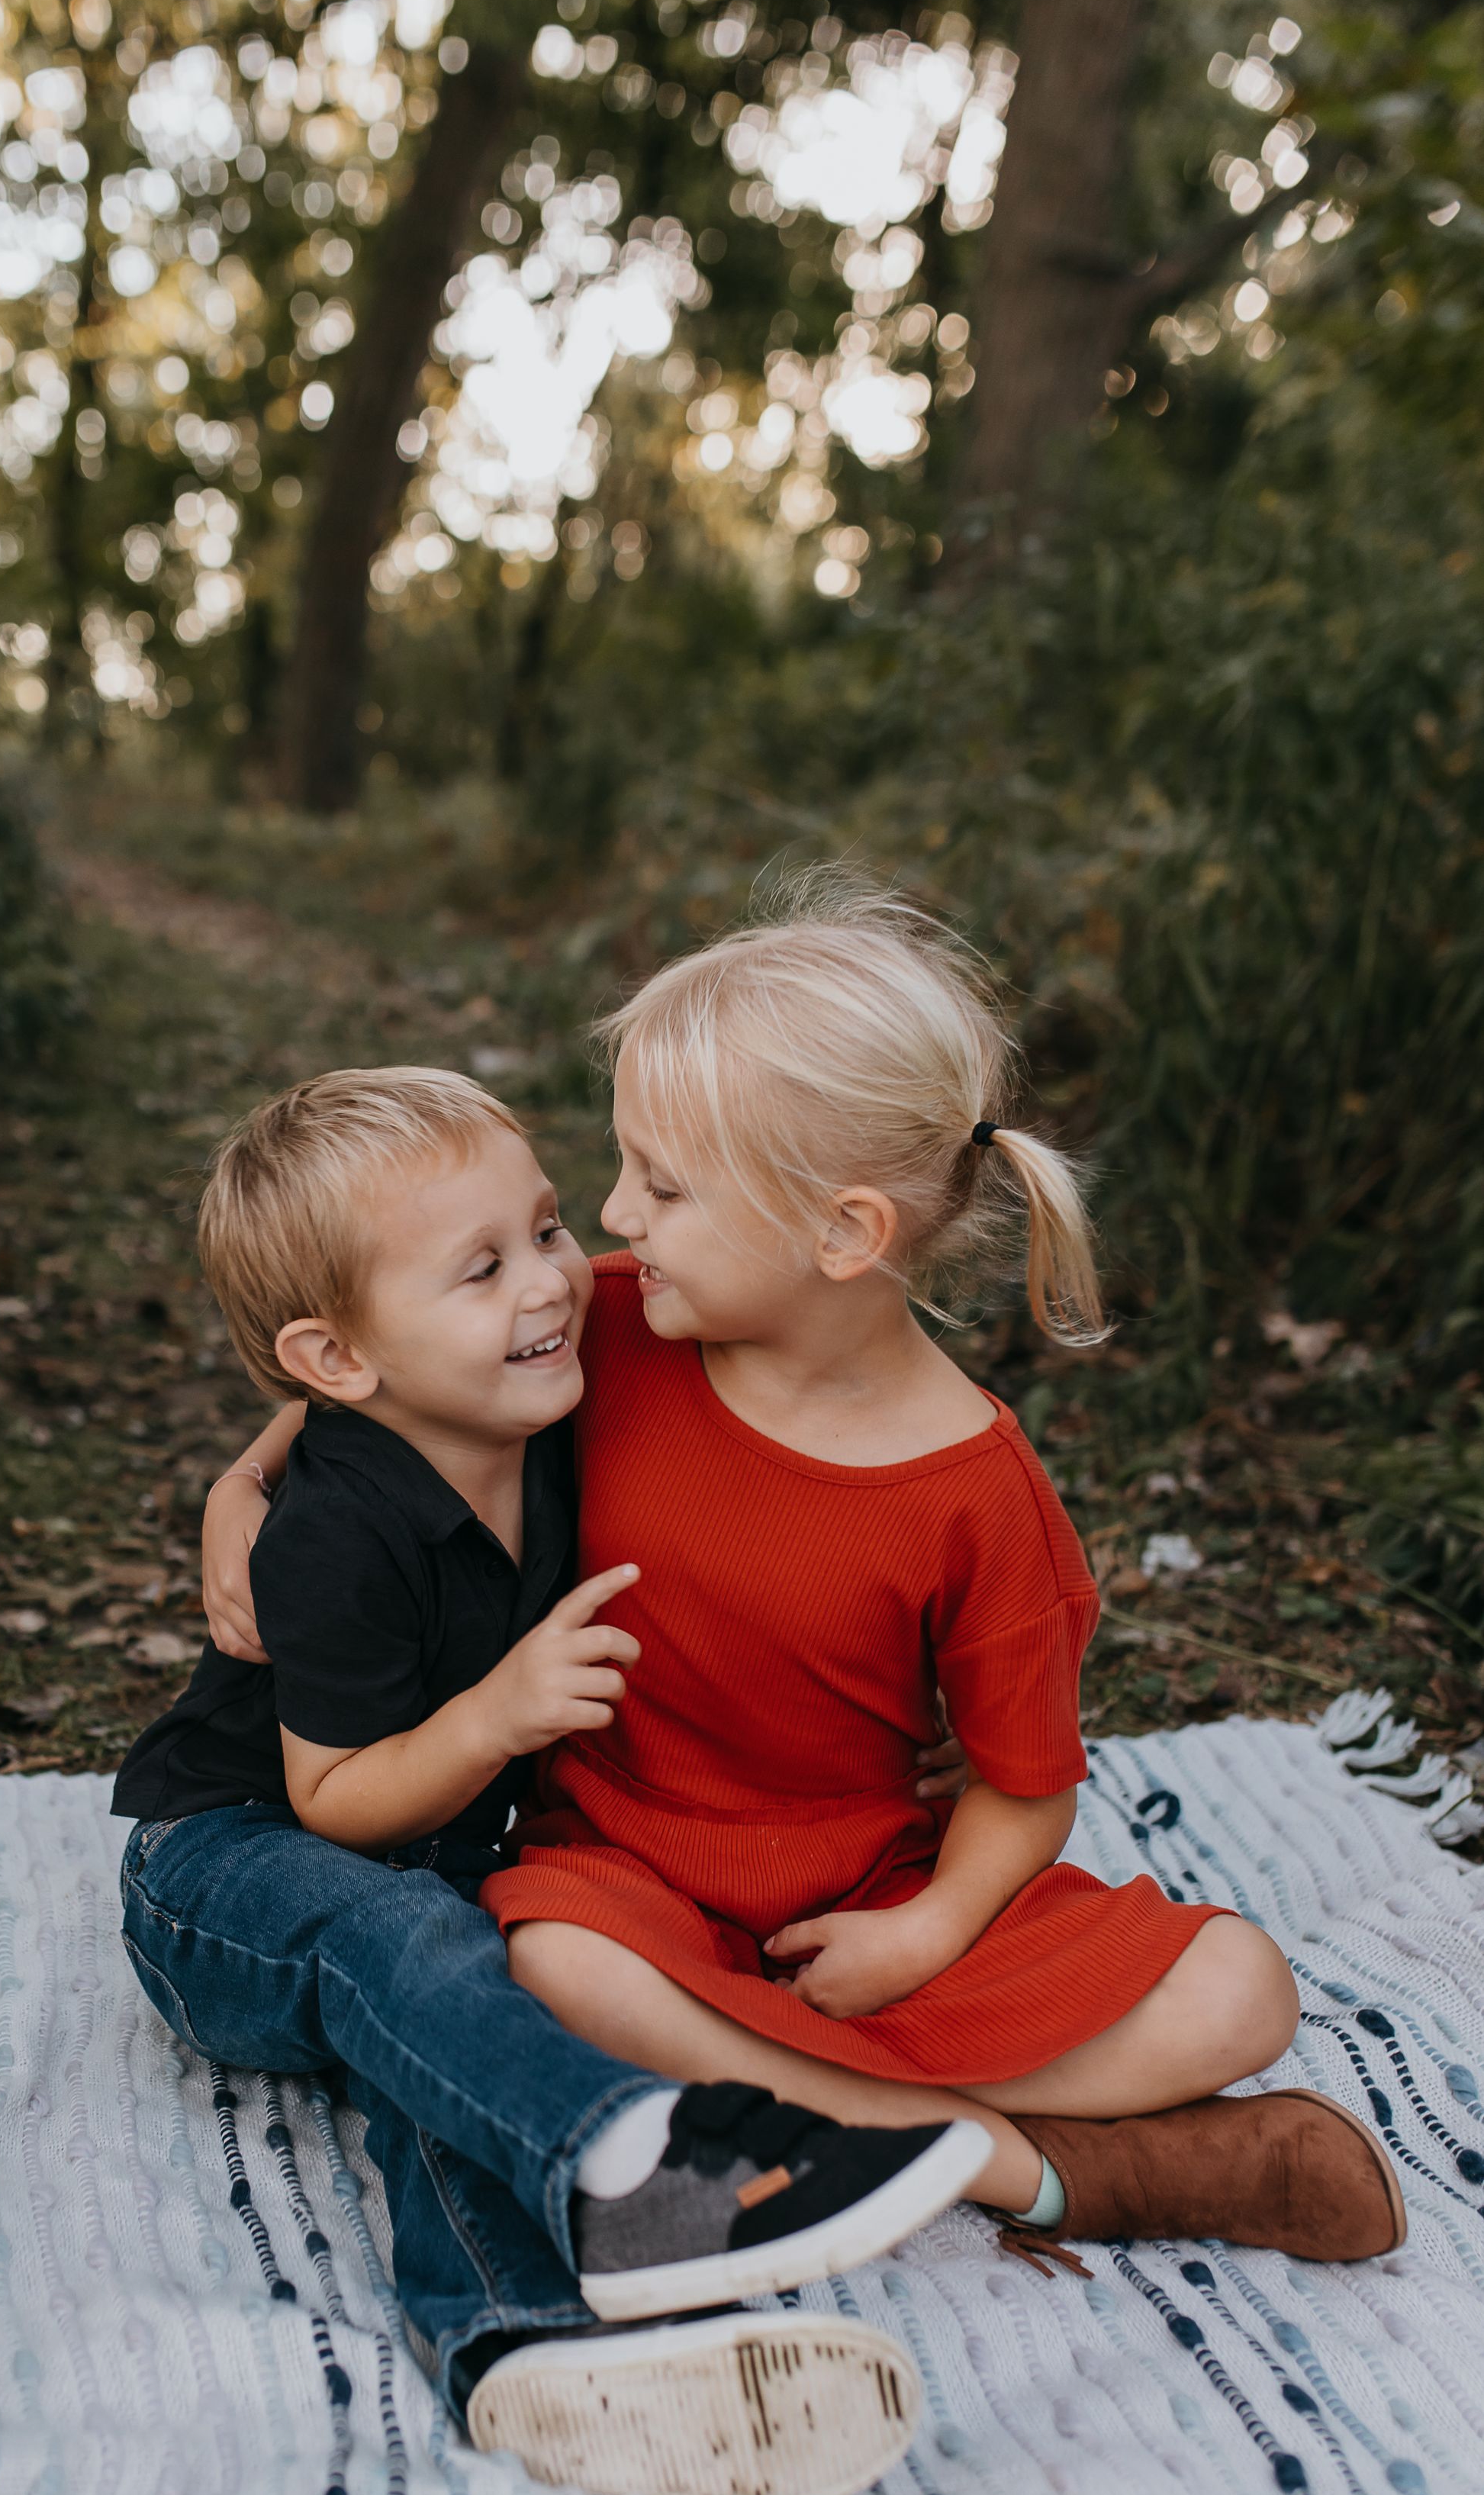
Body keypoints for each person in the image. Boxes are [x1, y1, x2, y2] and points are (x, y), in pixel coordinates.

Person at [211, 891, 1404, 2268]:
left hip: (873, 1891)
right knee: (546, 1963)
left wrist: (929, 1929)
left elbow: (1027, 1788)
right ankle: (1021, 2165)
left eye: (661, 1186)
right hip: (628, 1871)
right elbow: (393, 1365)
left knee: (1241, 1991)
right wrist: (239, 1485)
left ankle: (823, 2106)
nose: (611, 1217)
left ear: (840, 1233)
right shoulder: (620, 1322)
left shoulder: (977, 1494)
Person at [117, 1065, 988, 2495]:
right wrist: (494, 1714)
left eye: (541, 1229)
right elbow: (332, 1807)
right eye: (485, 1265)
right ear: (339, 1355)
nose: (553, 1281)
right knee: (403, 1942)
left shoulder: (553, 1389)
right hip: (230, 1872)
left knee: (454, 2022)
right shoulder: (335, 1534)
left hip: (431, 1866)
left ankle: (523, 2349)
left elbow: (750, 1333)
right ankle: (636, 2156)